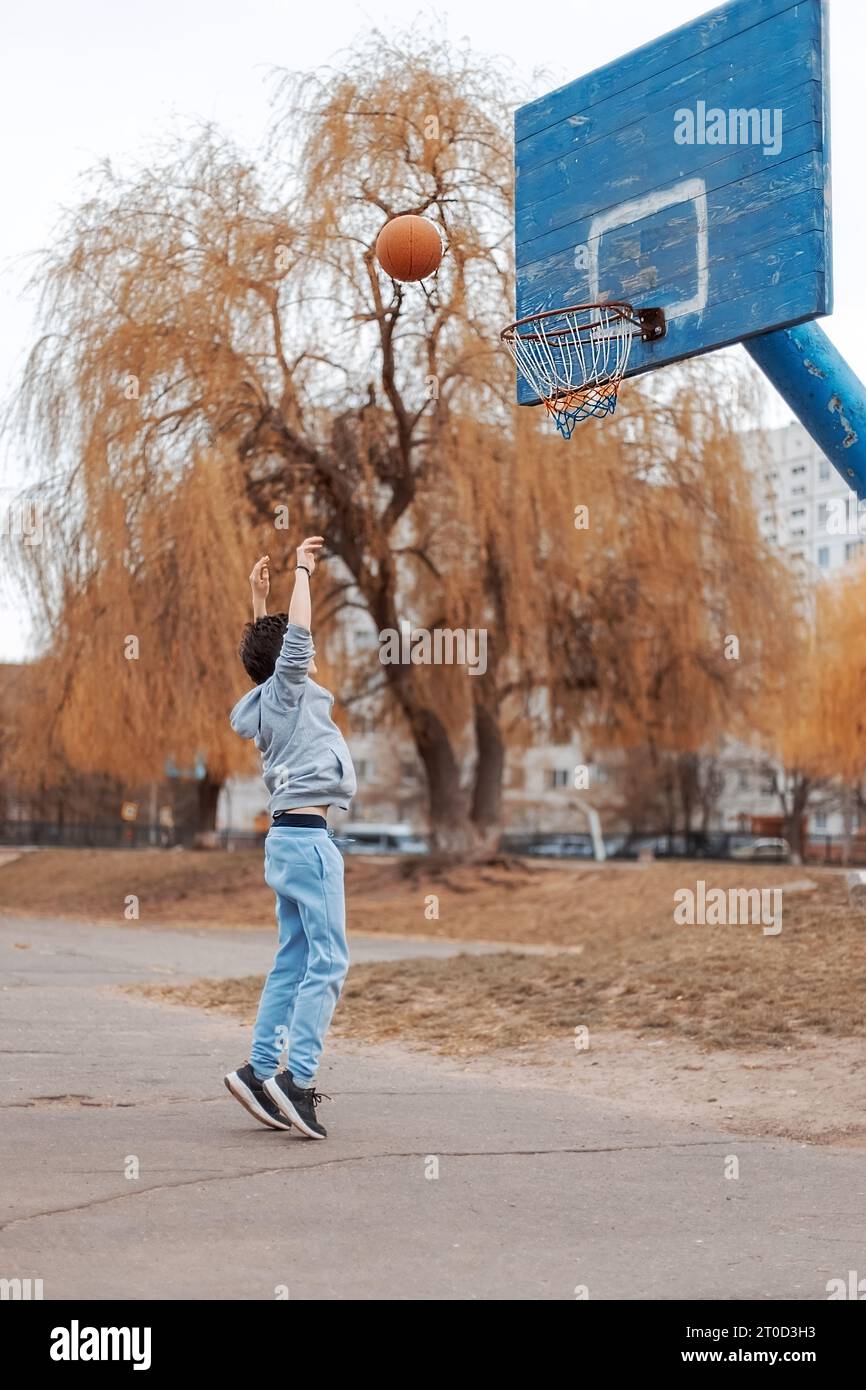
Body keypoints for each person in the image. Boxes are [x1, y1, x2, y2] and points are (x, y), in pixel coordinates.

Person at [224, 537, 356, 1139]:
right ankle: (296, 1083)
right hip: (309, 840)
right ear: (287, 665)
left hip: (284, 841)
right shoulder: (289, 686)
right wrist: (303, 571)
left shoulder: (266, 703)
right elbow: (292, 644)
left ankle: (257, 1073)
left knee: (292, 961)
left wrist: (258, 601)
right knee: (328, 962)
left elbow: (269, 651)